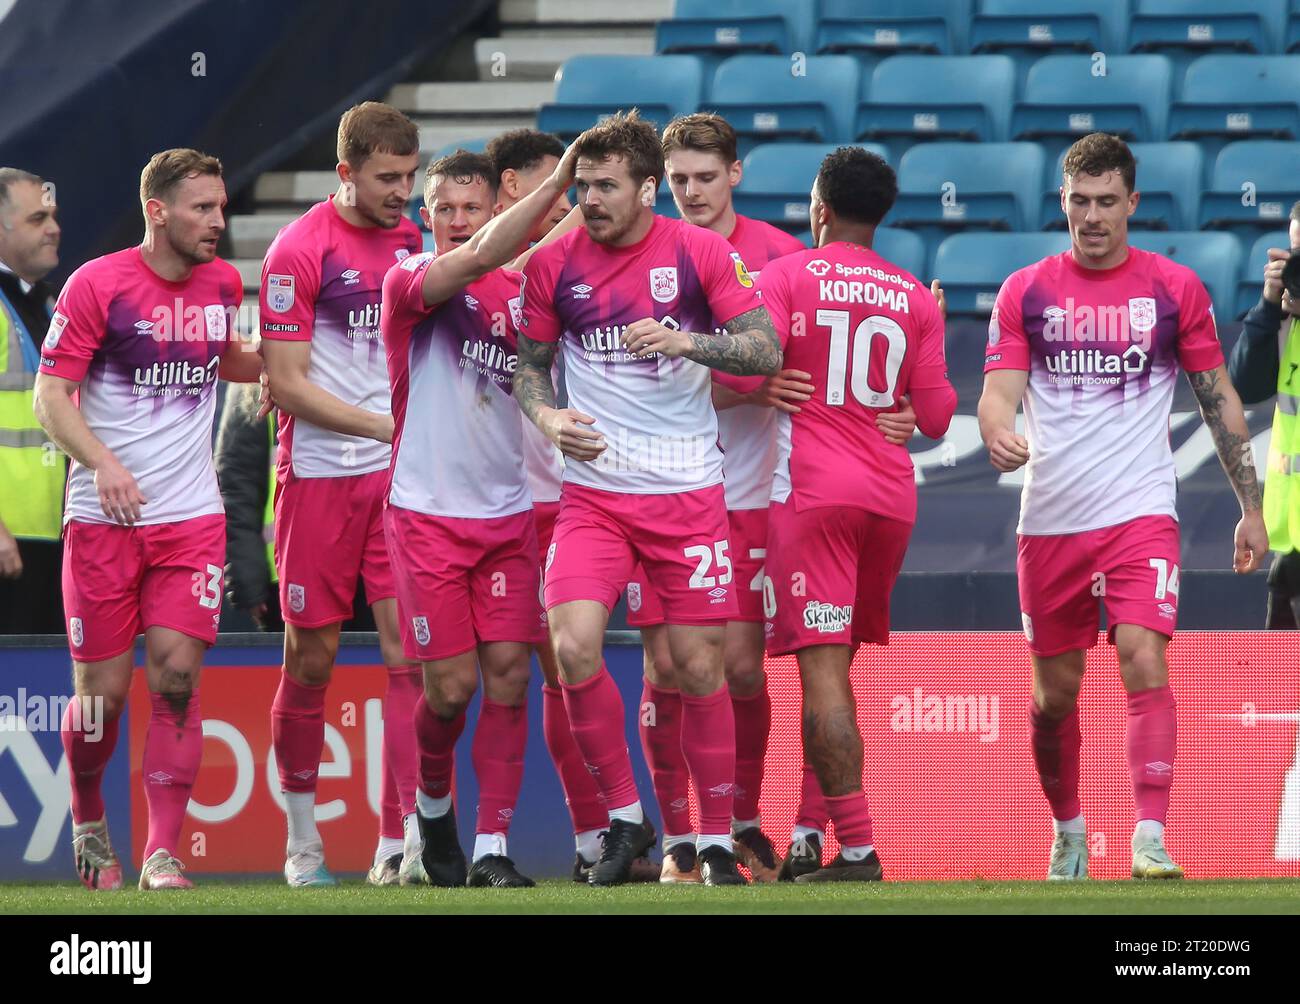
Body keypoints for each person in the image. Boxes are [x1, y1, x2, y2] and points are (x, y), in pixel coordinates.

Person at [621, 114, 919, 883]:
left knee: (746, 670)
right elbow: (643, 382)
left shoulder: (785, 260)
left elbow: (847, 365)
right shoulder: (642, 255)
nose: (690, 192)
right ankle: (680, 841)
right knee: (666, 666)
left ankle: (749, 824)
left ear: (736, 175)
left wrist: (903, 402)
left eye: (704, 177)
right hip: (659, 482)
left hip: (759, 489)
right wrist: (743, 380)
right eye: (678, 180)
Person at [978, 133, 1268, 881]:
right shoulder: (1025, 291)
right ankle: (1069, 832)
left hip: (1141, 510)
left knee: (1143, 655)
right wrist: (997, 431)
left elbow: (1220, 403)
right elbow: (998, 393)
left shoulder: (1173, 289)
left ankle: (1148, 836)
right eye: (1080, 200)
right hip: (1050, 521)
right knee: (1054, 695)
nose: (1094, 216)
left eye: (1108, 201)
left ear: (1132, 203)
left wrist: (1250, 506)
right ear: (1062, 201)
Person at [514, 111, 781, 887]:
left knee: (700, 670)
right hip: (594, 495)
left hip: (686, 492)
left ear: (646, 189)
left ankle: (721, 841)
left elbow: (763, 350)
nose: (589, 199)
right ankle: (631, 819)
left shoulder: (699, 252)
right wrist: (549, 416)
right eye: (582, 185)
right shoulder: (552, 263)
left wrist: (686, 340)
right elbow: (531, 367)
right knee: (570, 647)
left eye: (605, 186)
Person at [33, 148, 262, 890]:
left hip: (191, 519)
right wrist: (102, 463)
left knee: (174, 675)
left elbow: (218, 356)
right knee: (99, 697)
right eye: (203, 208)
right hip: (102, 520)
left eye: (222, 208)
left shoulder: (224, 282)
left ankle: (163, 852)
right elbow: (50, 397)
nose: (218, 222)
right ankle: (91, 819)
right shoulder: (98, 284)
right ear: (157, 211)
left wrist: (276, 359)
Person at [758, 147, 957, 882]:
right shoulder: (912, 294)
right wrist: (901, 401)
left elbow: (754, 360)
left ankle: (862, 850)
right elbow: (937, 415)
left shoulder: (785, 276)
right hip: (889, 500)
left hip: (812, 495)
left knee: (820, 677)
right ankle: (812, 831)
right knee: (836, 673)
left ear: (820, 208)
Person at [383, 147, 579, 887]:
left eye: (472, 209)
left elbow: (550, 250)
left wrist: (599, 194)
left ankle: (492, 847)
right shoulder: (410, 282)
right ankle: (432, 813)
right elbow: (487, 257)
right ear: (424, 216)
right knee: (451, 688)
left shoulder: (522, 289)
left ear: (492, 210)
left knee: (508, 678)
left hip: (506, 515)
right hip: (426, 513)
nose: (458, 221)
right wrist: (560, 183)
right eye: (445, 209)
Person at [259, 102, 425, 887]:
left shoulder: (410, 238)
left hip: (396, 484)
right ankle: (302, 844)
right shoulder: (298, 250)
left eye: (409, 175)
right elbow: (287, 387)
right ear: (345, 172)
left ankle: (401, 843)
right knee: (312, 658)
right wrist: (388, 426)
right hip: (320, 478)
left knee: (410, 657)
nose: (403, 191)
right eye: (387, 178)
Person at [485, 129, 619, 879]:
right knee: (514, 673)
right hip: (495, 501)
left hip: (557, 493)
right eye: (563, 187)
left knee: (563, 666)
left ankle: (597, 833)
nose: (577, 204)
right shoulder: (477, 262)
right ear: (514, 189)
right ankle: (578, 833)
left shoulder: (566, 270)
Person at [1227, 201, 1300, 628]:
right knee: (1283, 693)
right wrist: (1269, 308)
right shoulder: (1287, 320)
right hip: (1289, 547)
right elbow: (1247, 387)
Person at [0, 167, 65, 634]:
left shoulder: (48, 304)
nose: (54, 227)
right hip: (9, 538)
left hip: (54, 538)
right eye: (38, 217)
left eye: (54, 215)